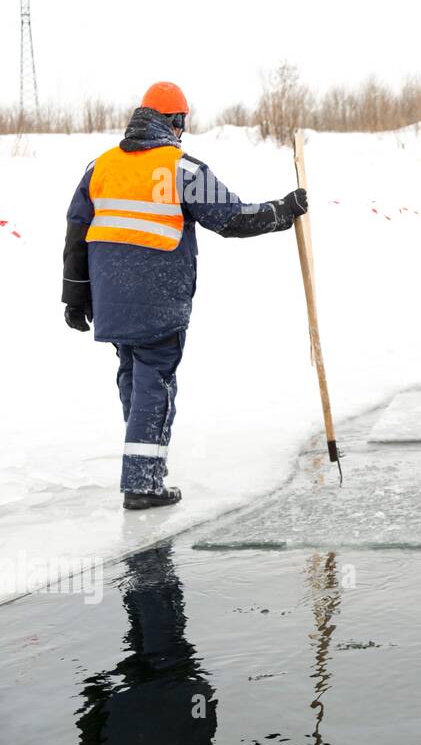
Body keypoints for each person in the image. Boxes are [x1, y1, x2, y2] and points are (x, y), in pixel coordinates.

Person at [62, 82, 309, 510]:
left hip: (112, 301)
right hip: (159, 300)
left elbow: (76, 232)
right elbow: (232, 218)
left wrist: (75, 296)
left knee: (134, 379)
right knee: (154, 385)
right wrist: (282, 211)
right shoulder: (182, 169)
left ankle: (142, 465)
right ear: (175, 121)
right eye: (183, 124)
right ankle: (142, 484)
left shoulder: (99, 166)